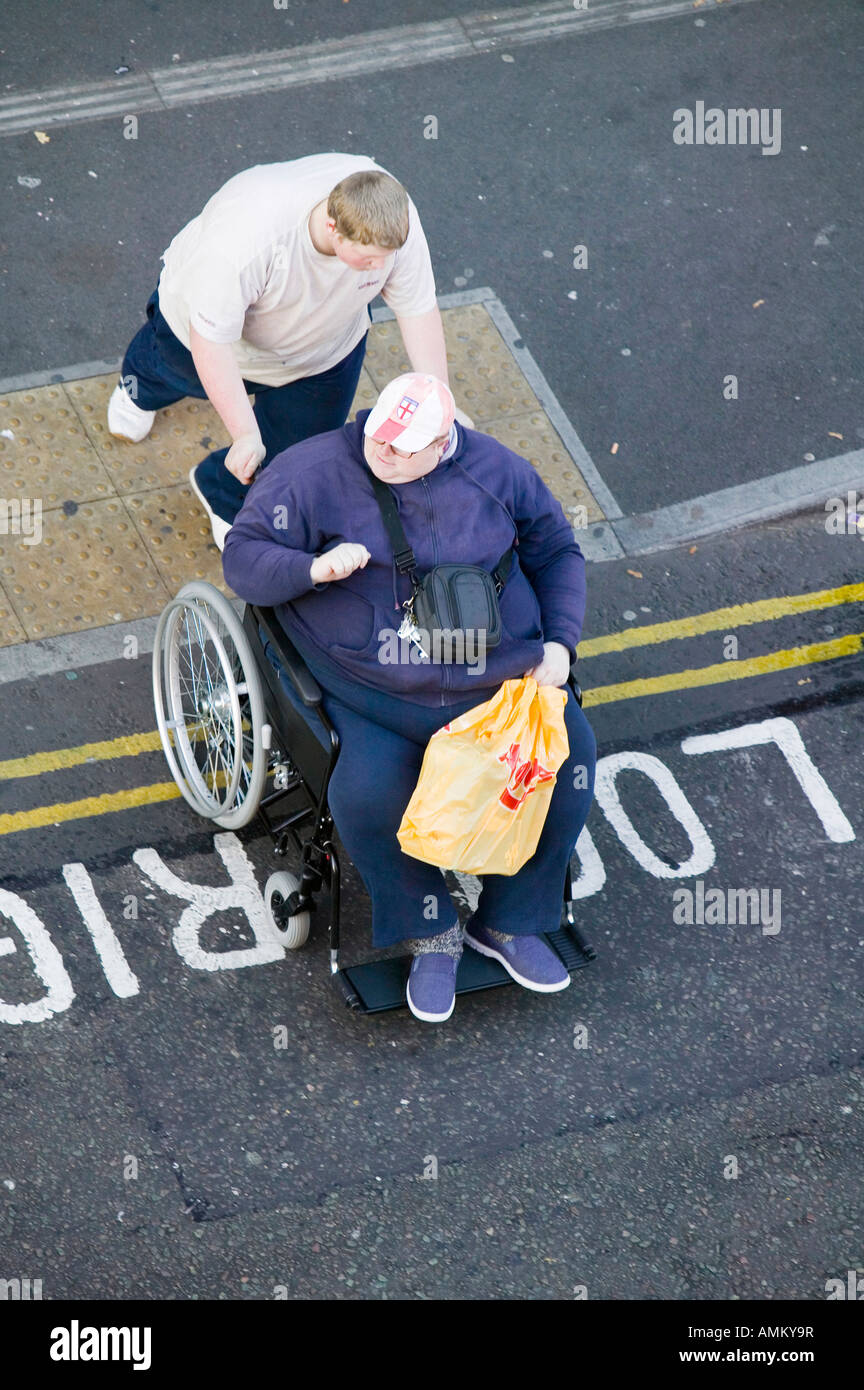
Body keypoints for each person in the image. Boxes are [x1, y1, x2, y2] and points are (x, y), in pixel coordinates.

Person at [222, 374, 596, 1024]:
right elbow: (244, 557)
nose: (385, 452)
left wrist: (561, 646)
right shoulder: (309, 473)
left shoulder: (498, 471)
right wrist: (312, 569)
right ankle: (433, 929)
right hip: (374, 691)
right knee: (366, 795)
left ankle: (508, 923)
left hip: (498, 681)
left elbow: (557, 548)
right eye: (379, 438)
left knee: (566, 765)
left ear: (444, 442)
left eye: (404, 447)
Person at [109, 153, 465, 549]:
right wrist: (244, 432)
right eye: (368, 260)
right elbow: (211, 344)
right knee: (164, 370)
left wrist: (439, 400)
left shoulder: (393, 221)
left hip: (324, 350)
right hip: (207, 335)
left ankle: (223, 497)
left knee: (295, 449)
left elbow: (416, 307)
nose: (381, 269)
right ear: (333, 227)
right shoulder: (246, 242)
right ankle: (136, 391)